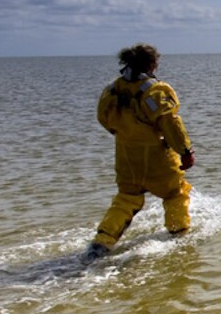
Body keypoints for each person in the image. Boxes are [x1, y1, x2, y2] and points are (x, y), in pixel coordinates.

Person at [82, 43, 196, 262]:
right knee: (175, 193)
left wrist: (125, 134)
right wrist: (185, 151)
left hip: (126, 157)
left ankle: (101, 243)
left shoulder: (113, 89)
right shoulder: (156, 90)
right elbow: (170, 123)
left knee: (126, 199)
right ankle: (178, 234)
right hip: (157, 158)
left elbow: (103, 118)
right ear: (151, 63)